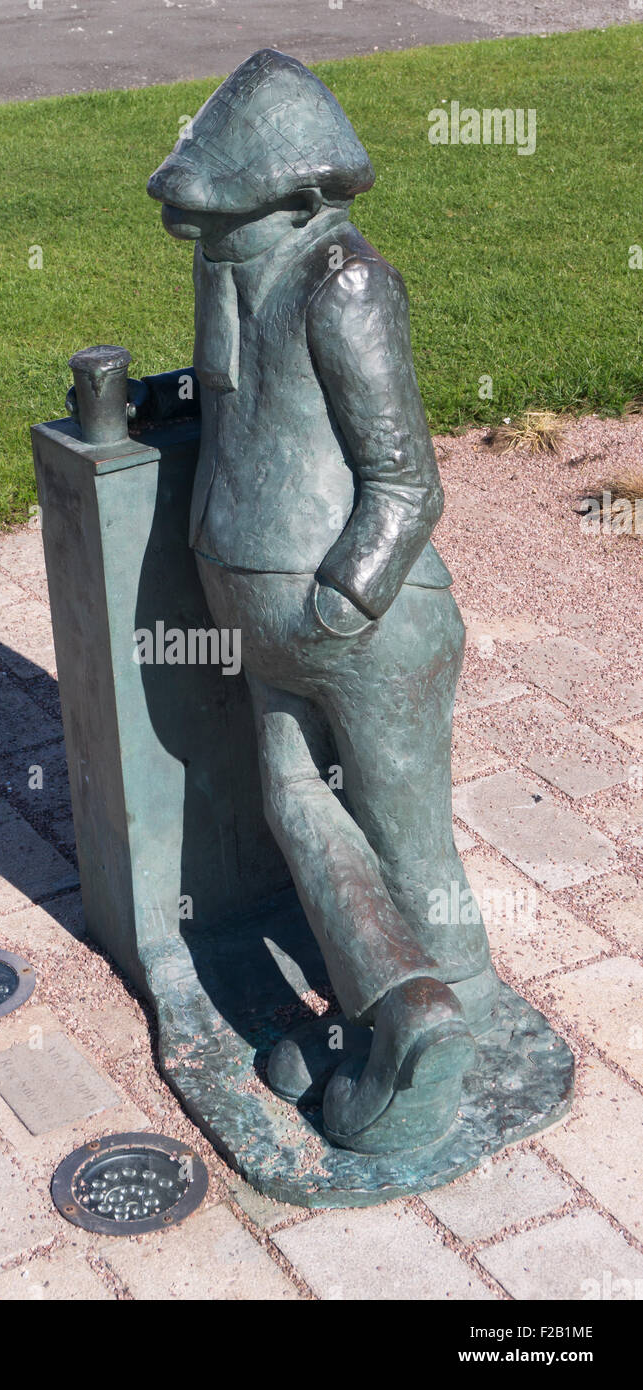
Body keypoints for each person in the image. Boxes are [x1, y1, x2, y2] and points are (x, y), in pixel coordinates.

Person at [147, 48, 497, 1154]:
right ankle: (388, 1013)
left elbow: (404, 479)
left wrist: (339, 604)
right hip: (273, 625)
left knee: (405, 836)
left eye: (232, 217)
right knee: (300, 811)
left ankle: (460, 1026)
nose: (210, 239)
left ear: (303, 200)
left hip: (365, 629)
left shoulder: (344, 280)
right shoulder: (230, 268)